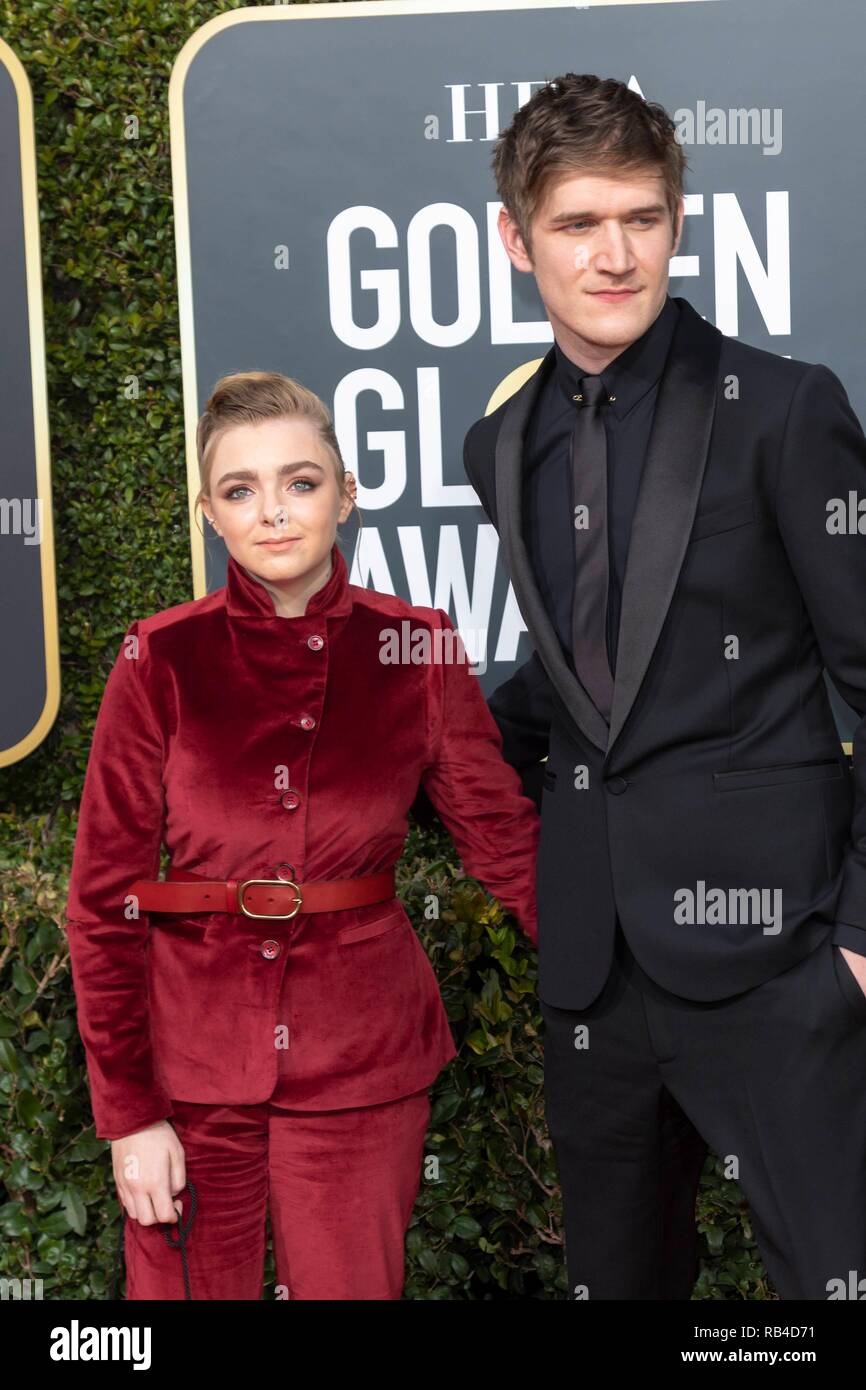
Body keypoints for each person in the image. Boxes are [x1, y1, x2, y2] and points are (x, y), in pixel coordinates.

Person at [463, 73, 866, 1300]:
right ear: (514, 237)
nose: (613, 254)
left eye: (640, 218)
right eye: (578, 224)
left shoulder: (784, 410)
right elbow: (581, 671)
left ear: (676, 221)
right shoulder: (500, 441)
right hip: (594, 972)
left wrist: (853, 937)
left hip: (778, 957)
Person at [64, 370, 539, 1301]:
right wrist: (129, 1117)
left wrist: (648, 971)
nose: (273, 513)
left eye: (300, 482)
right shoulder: (158, 656)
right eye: (241, 490)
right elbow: (100, 902)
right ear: (209, 512)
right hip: (187, 1066)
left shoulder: (419, 646)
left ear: (346, 493)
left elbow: (505, 843)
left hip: (362, 1058)